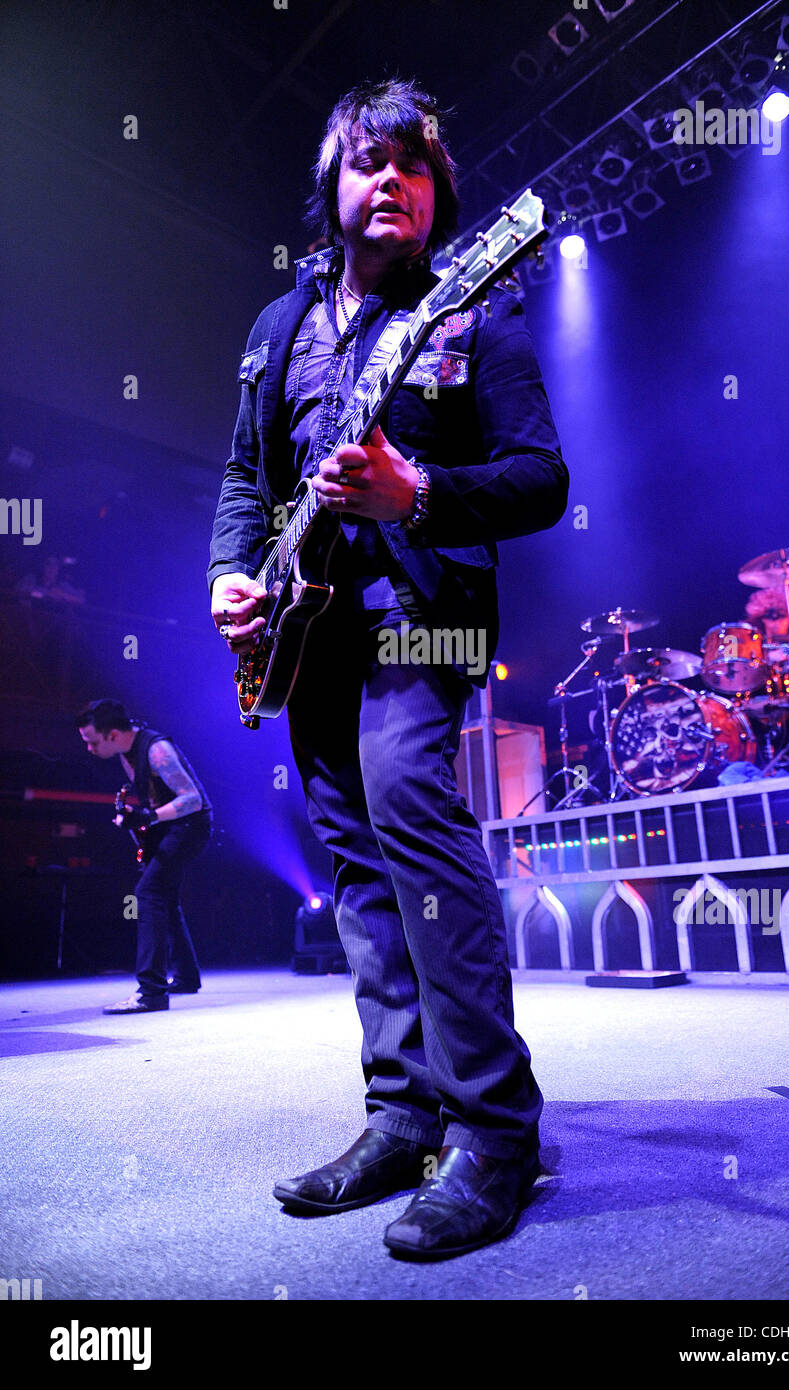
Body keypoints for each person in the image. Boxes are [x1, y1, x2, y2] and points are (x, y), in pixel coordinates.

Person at [208, 78, 568, 1260]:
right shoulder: (276, 329)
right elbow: (247, 483)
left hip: (427, 615)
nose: (392, 182)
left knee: (409, 801)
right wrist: (232, 575)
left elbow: (540, 479)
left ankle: (495, 1134)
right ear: (333, 183)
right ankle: (405, 1114)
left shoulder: (475, 311)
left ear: (437, 192)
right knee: (355, 859)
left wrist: (420, 493)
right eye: (370, 162)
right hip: (308, 628)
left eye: (414, 166)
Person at [76, 699, 212, 1013]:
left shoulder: (155, 749)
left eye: (92, 741)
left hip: (191, 825)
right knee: (163, 895)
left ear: (111, 735)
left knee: (148, 893)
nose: (89, 749)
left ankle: (151, 991)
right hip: (172, 825)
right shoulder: (128, 753)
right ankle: (187, 977)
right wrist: (135, 816)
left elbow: (192, 799)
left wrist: (148, 817)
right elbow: (155, 802)